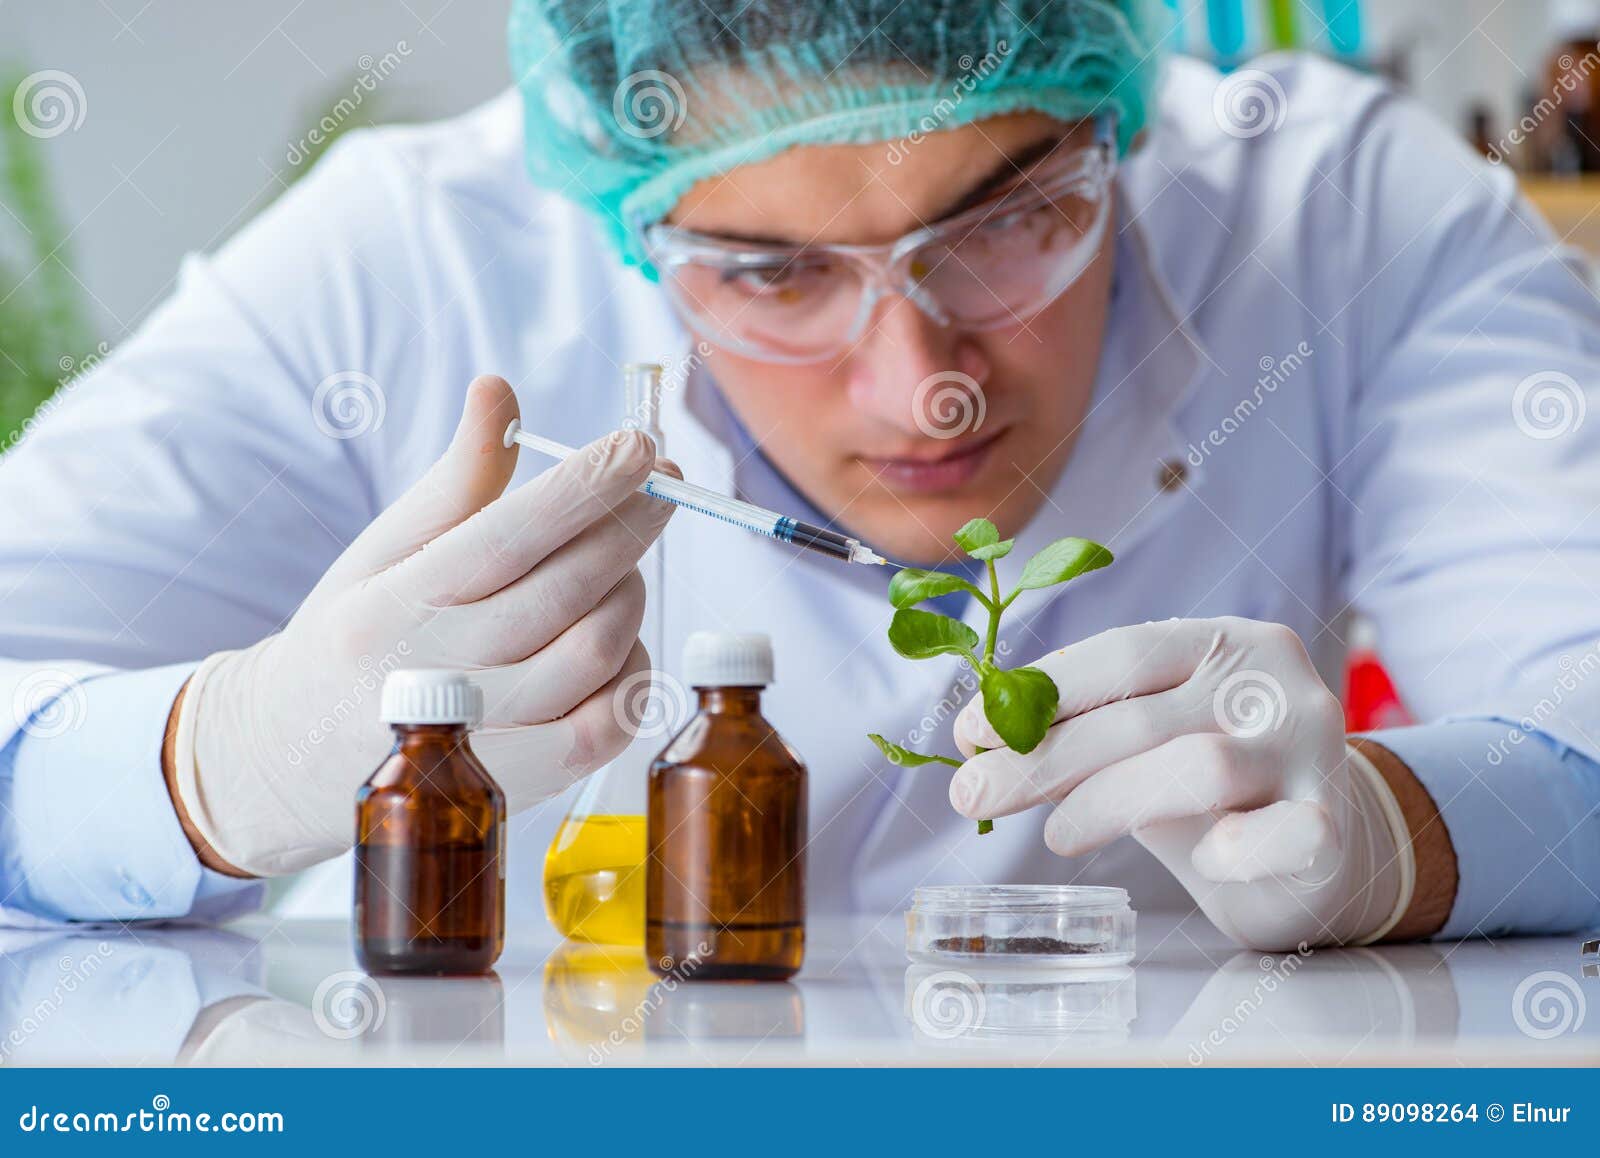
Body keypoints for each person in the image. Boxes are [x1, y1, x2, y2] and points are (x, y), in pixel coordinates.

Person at [2, 0, 1597, 949]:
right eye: (771, 273)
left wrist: (1397, 832)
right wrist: (223, 764)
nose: (925, 383)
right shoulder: (405, 264)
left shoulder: (1342, 215)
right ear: (632, 225)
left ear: (1111, 116)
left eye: (1008, 221)